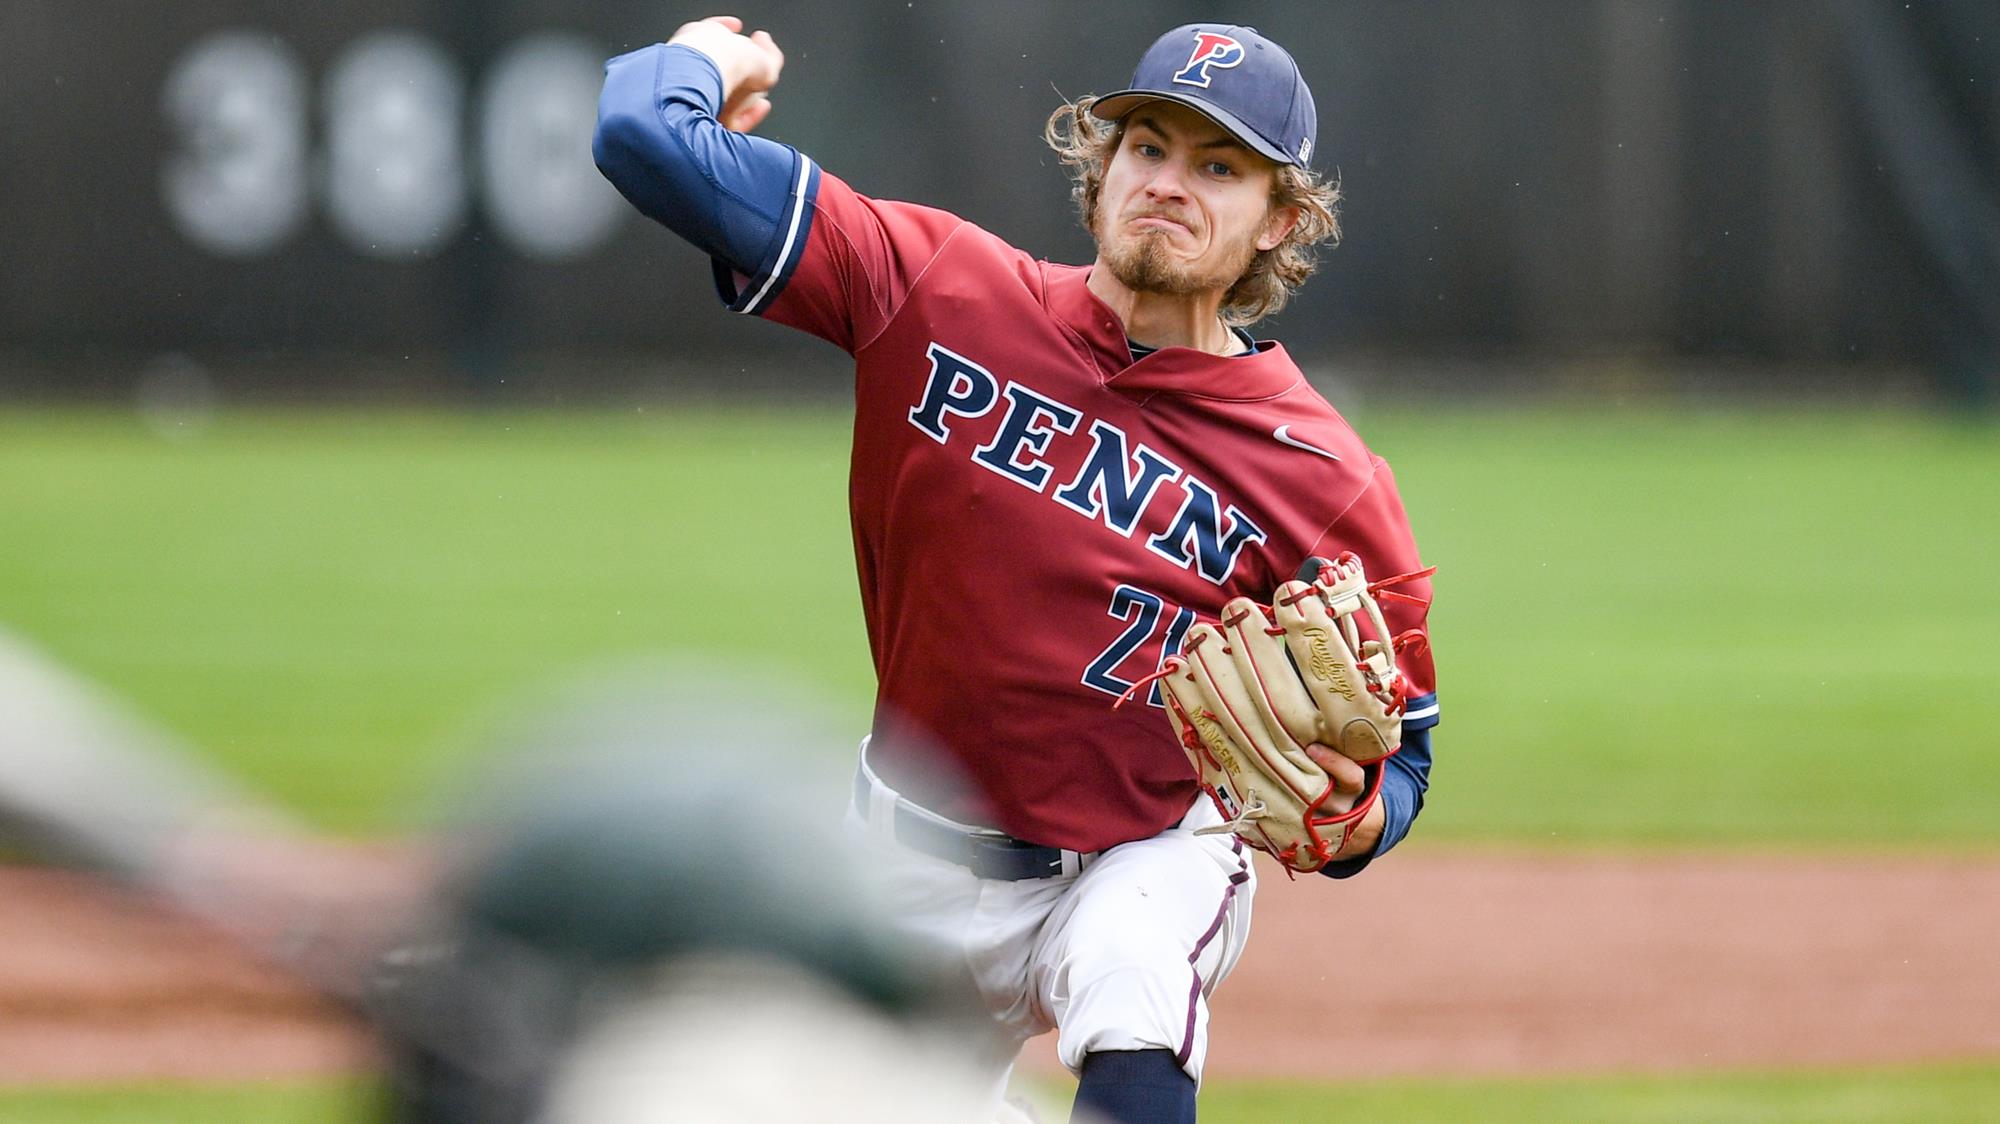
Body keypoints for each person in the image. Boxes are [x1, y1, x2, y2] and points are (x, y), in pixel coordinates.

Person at [593, 17, 1438, 1123]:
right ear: (1101, 167)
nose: (1168, 184)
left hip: (1140, 847)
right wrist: (709, 56)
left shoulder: (1322, 472)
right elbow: (637, 136)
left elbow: (1405, 748)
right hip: (906, 845)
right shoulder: (937, 287)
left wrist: (1358, 818)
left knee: (1137, 981)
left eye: (1217, 165)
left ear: (1279, 218)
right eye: (1146, 147)